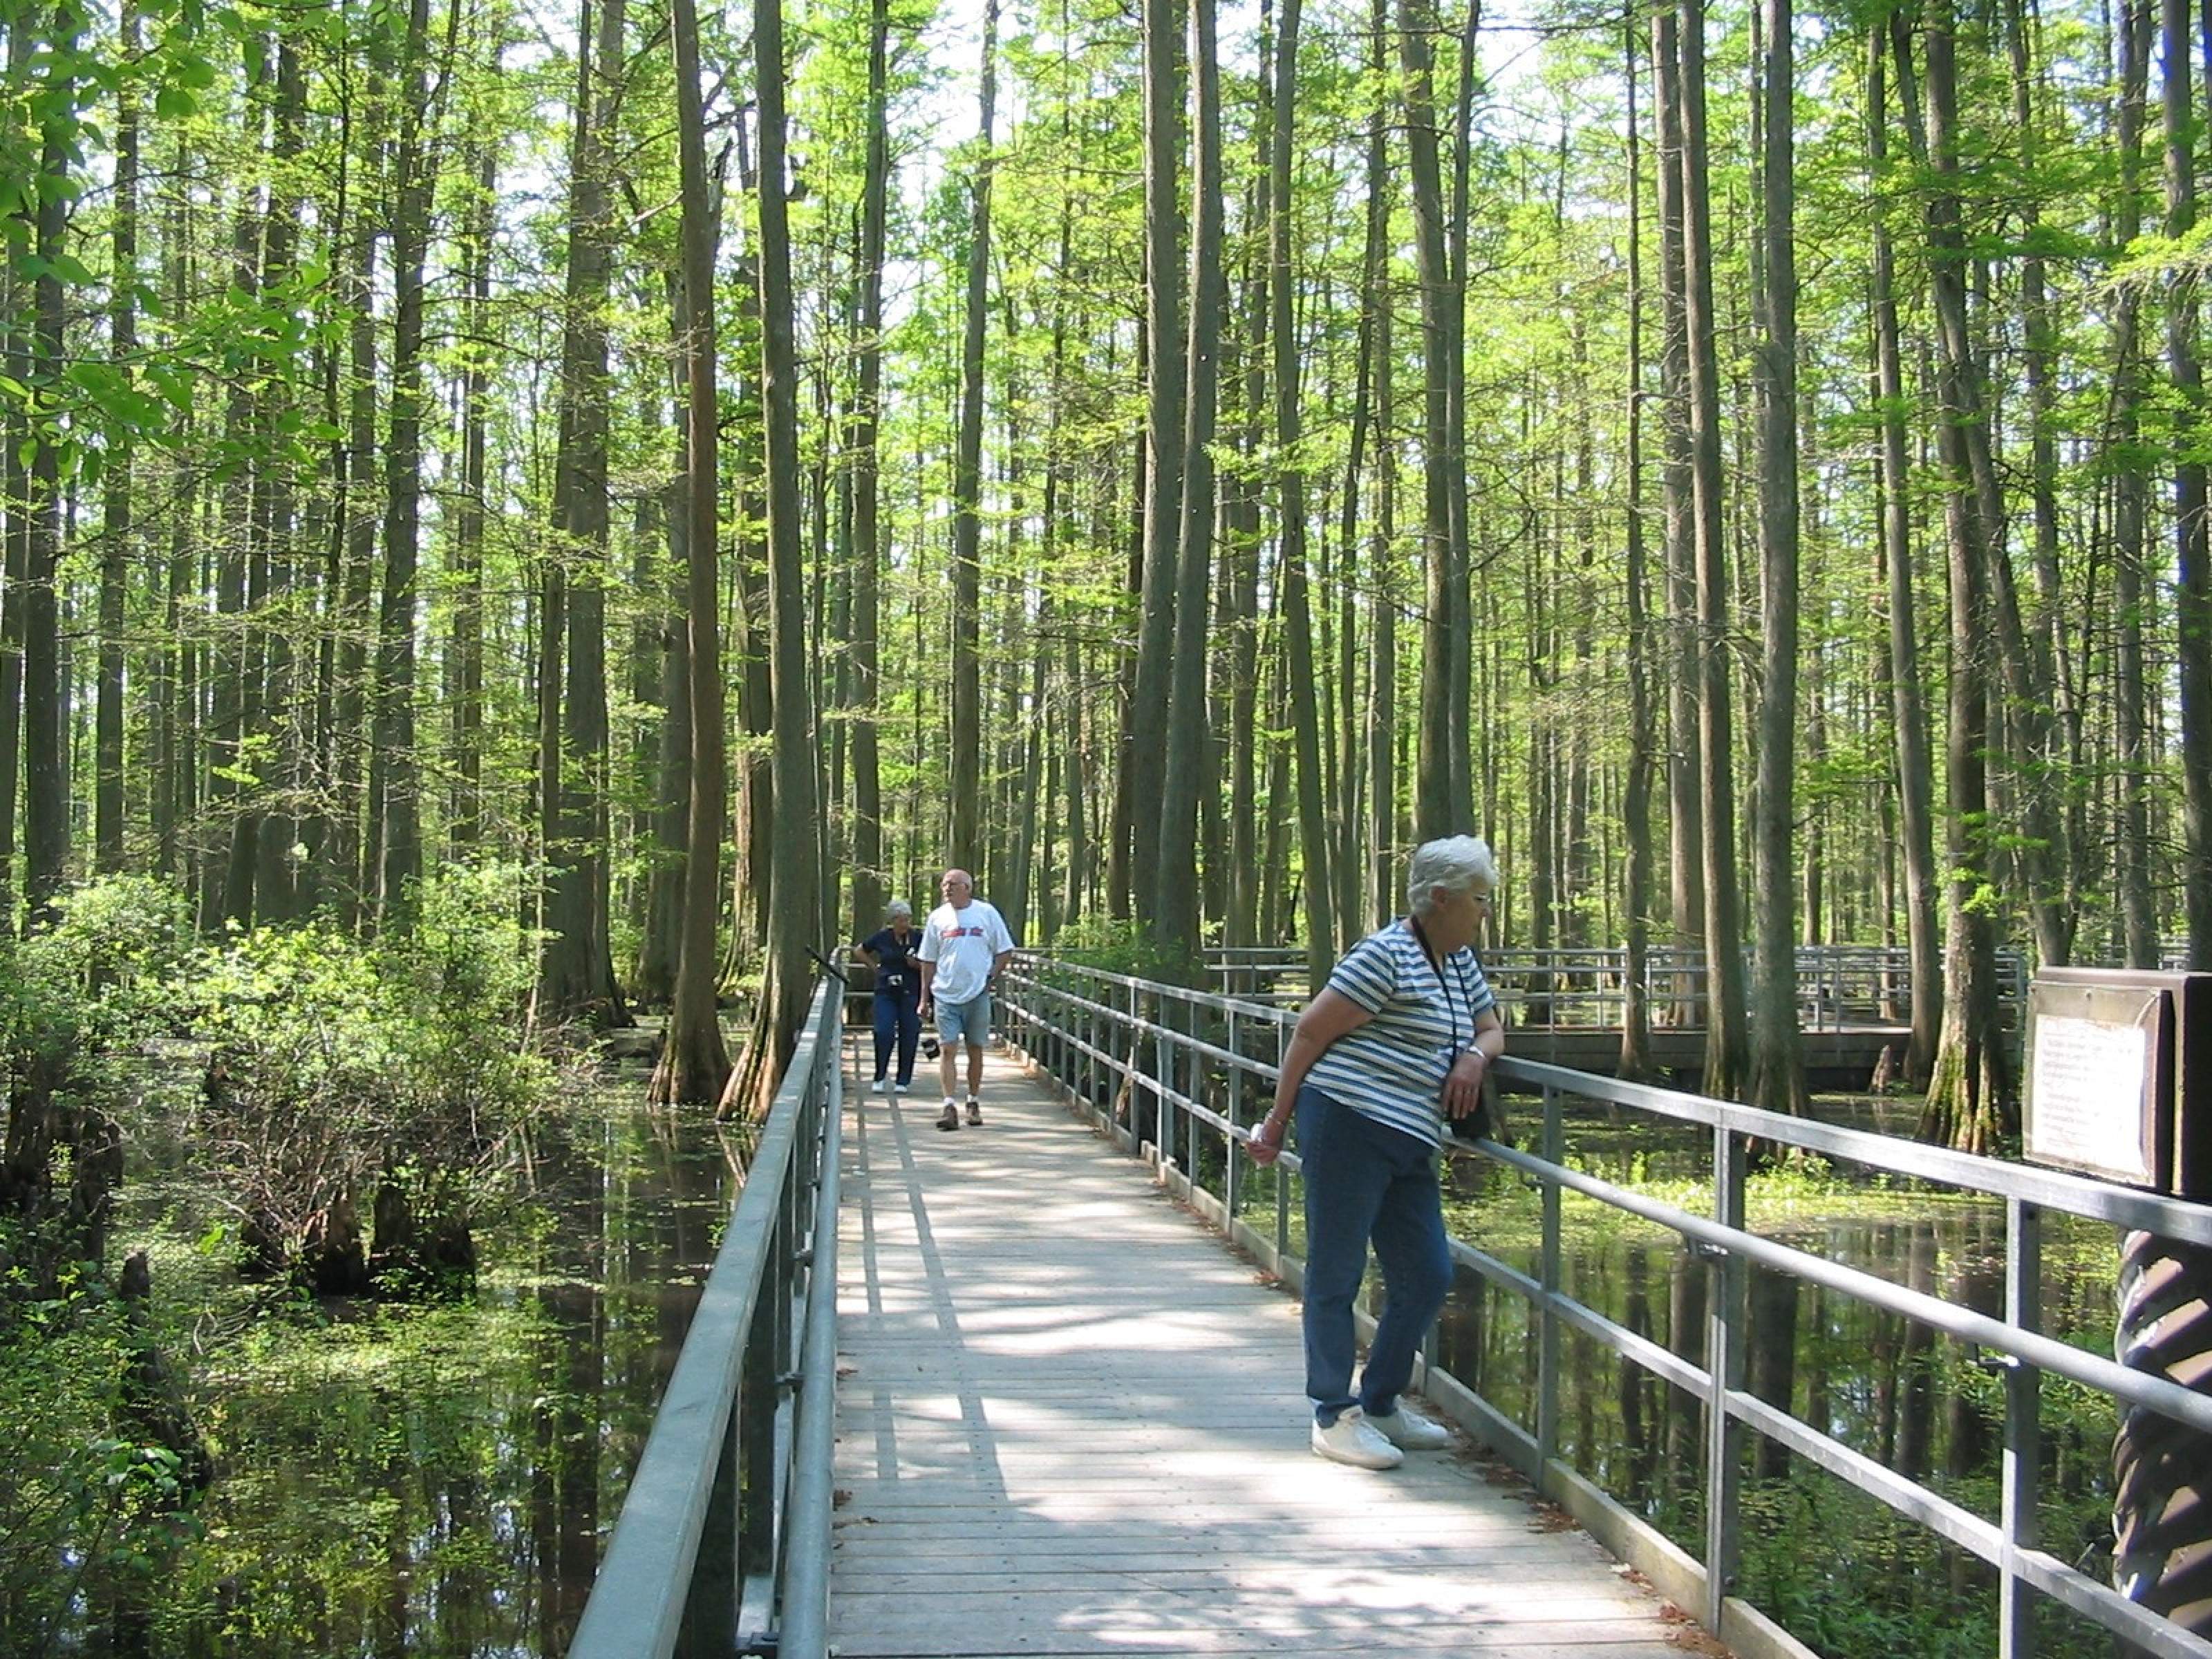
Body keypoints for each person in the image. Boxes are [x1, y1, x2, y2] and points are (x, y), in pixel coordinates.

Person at [1248, 834, 1506, 1470]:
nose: (1485, 912)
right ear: (1440, 899)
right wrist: (1277, 1122)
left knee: (1427, 1275)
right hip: (1347, 1124)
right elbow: (1310, 1033)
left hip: (1413, 1134)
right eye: (1478, 900)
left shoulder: (1459, 959)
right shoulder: (1384, 956)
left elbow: (1494, 1027)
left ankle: (1383, 1400)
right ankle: (1333, 1413)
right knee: (1337, 1271)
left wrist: (1475, 1057)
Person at [917, 868, 1015, 1132]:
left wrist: (991, 975)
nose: (947, 888)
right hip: (945, 994)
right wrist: (924, 998)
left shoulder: (986, 914)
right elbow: (928, 960)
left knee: (975, 1049)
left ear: (967, 888)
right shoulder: (937, 918)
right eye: (944, 884)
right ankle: (949, 1106)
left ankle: (973, 1100)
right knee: (947, 1049)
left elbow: (1005, 950)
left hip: (977, 994)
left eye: (953, 884)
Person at [856, 899, 924, 1095]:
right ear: (893, 921)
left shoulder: (919, 938)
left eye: (908, 919)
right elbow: (859, 951)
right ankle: (879, 1075)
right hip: (886, 991)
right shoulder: (882, 938)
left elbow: (932, 961)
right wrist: (874, 967)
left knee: (909, 1034)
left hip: (911, 991)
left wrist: (916, 965)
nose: (905, 924)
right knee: (883, 1032)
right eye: (901, 920)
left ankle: (903, 1079)